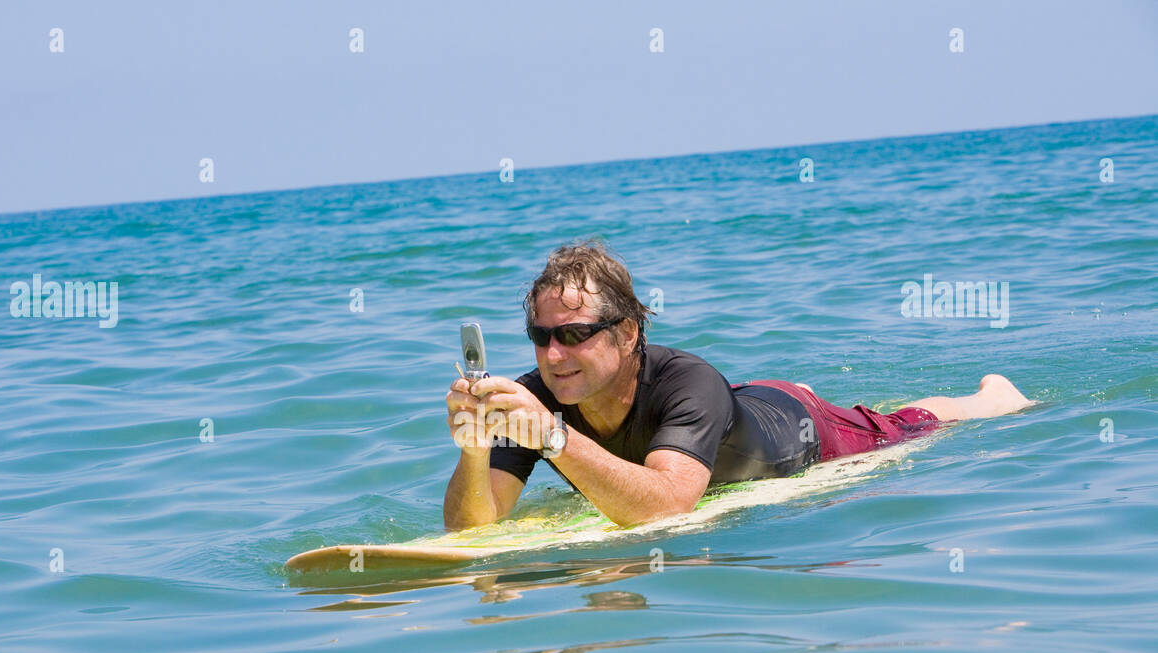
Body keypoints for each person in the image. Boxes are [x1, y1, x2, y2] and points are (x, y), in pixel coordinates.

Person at [443, 240, 1033, 530]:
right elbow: (473, 529)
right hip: (729, 418)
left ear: (626, 334)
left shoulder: (685, 380)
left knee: (901, 429)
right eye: (540, 337)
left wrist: (553, 439)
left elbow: (669, 506)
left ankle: (987, 397)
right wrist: (474, 454)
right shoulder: (534, 398)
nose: (553, 354)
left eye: (574, 335)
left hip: (804, 431)